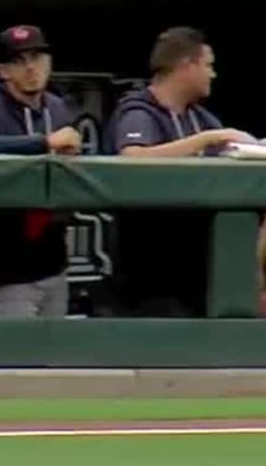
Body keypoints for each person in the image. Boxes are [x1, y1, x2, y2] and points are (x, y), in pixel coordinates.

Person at [105, 27, 255, 317]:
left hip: (197, 266)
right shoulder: (139, 111)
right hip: (149, 268)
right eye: (208, 65)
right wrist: (207, 139)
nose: (213, 74)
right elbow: (132, 158)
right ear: (187, 66)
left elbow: (238, 146)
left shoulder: (198, 117)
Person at [0, 25, 77, 318]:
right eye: (19, 61)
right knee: (14, 347)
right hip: (6, 266)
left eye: (37, 58)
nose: (31, 67)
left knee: (54, 345)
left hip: (53, 261)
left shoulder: (56, 107)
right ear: (3, 70)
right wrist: (42, 143)